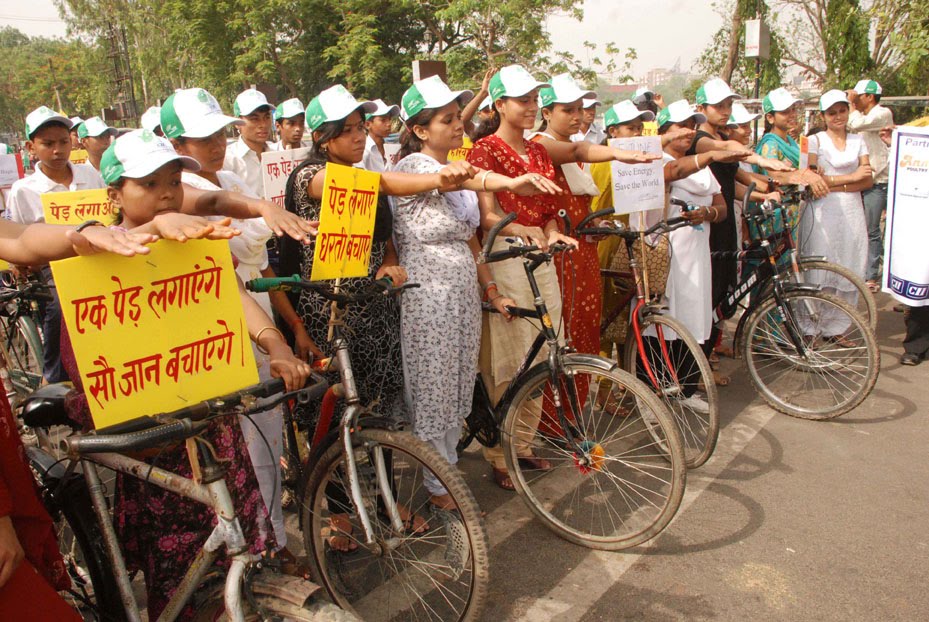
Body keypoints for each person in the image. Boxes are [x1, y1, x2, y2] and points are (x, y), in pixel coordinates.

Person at [60, 129, 311, 619]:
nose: (167, 193)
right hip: (153, 445)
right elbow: (89, 366)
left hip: (212, 432)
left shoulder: (196, 242)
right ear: (114, 195)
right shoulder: (89, 260)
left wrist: (276, 345)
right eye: (149, 183)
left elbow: (235, 299)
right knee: (181, 582)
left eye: (173, 180)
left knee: (237, 561)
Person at [281, 84, 477, 548]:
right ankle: (343, 515)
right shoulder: (311, 175)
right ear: (323, 138)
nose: (357, 137)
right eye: (345, 131)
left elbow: (386, 234)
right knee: (332, 421)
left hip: (373, 308)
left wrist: (390, 260)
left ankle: (386, 500)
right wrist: (440, 178)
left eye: (358, 128)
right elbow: (380, 186)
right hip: (326, 312)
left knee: (379, 414)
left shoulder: (361, 166)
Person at [468, 65, 656, 489]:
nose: (533, 107)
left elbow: (555, 201)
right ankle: (501, 454)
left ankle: (525, 444)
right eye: (524, 100)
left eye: (535, 99)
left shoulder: (536, 154)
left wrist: (551, 231)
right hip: (506, 258)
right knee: (512, 357)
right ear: (499, 104)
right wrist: (526, 230)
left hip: (542, 259)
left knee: (545, 352)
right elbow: (489, 217)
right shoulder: (484, 151)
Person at [162, 88, 316, 571]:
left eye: (218, 133)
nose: (214, 144)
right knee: (209, 454)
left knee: (263, 442)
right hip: (198, 338)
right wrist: (257, 210)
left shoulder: (230, 178)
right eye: (199, 137)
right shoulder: (169, 197)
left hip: (251, 315)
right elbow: (206, 200)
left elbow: (245, 253)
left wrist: (280, 331)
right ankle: (224, 555)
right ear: (171, 142)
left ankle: (268, 539)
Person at [392, 75, 556, 506]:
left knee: (458, 381)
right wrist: (505, 183)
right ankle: (435, 481)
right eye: (447, 120)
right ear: (421, 131)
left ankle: (446, 467)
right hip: (428, 293)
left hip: (461, 290)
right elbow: (457, 179)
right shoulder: (415, 167)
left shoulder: (453, 160)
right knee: (433, 385)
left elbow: (471, 236)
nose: (457, 125)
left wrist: (490, 287)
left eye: (457, 117)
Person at [687, 79, 790, 368]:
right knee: (709, 297)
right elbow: (728, 148)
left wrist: (771, 187)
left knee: (722, 295)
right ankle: (695, 370)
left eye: (728, 105)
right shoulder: (699, 140)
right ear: (701, 108)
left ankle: (705, 364)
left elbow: (739, 181)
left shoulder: (720, 138)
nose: (725, 110)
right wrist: (759, 159)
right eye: (719, 105)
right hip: (706, 226)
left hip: (726, 222)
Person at [4, 106, 106, 384]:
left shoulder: (91, 175)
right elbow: (18, 236)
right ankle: (55, 376)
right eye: (48, 144)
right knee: (62, 303)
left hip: (99, 255)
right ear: (31, 147)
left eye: (63, 142)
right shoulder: (24, 190)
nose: (58, 150)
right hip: (54, 267)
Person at [803, 90, 872, 342]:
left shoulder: (858, 140)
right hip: (822, 212)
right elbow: (810, 179)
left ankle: (836, 328)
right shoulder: (815, 141)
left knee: (847, 264)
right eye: (832, 112)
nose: (838, 116)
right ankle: (809, 328)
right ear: (823, 115)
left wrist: (833, 182)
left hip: (851, 210)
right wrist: (852, 177)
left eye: (842, 111)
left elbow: (867, 179)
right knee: (818, 266)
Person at [847, 79, 894, 291]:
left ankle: (871, 276)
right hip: (864, 179)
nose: (856, 98)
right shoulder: (867, 117)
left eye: (859, 95)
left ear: (870, 97)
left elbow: (853, 124)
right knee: (863, 228)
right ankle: (864, 270)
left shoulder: (882, 114)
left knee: (872, 230)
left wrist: (851, 104)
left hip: (878, 182)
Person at [224, 88, 277, 195]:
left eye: (267, 117)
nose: (263, 124)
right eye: (254, 119)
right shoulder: (228, 160)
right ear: (238, 123)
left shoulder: (277, 154)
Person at [362, 99, 400, 173]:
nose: (389, 124)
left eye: (389, 119)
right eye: (383, 120)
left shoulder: (394, 148)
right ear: (368, 124)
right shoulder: (363, 150)